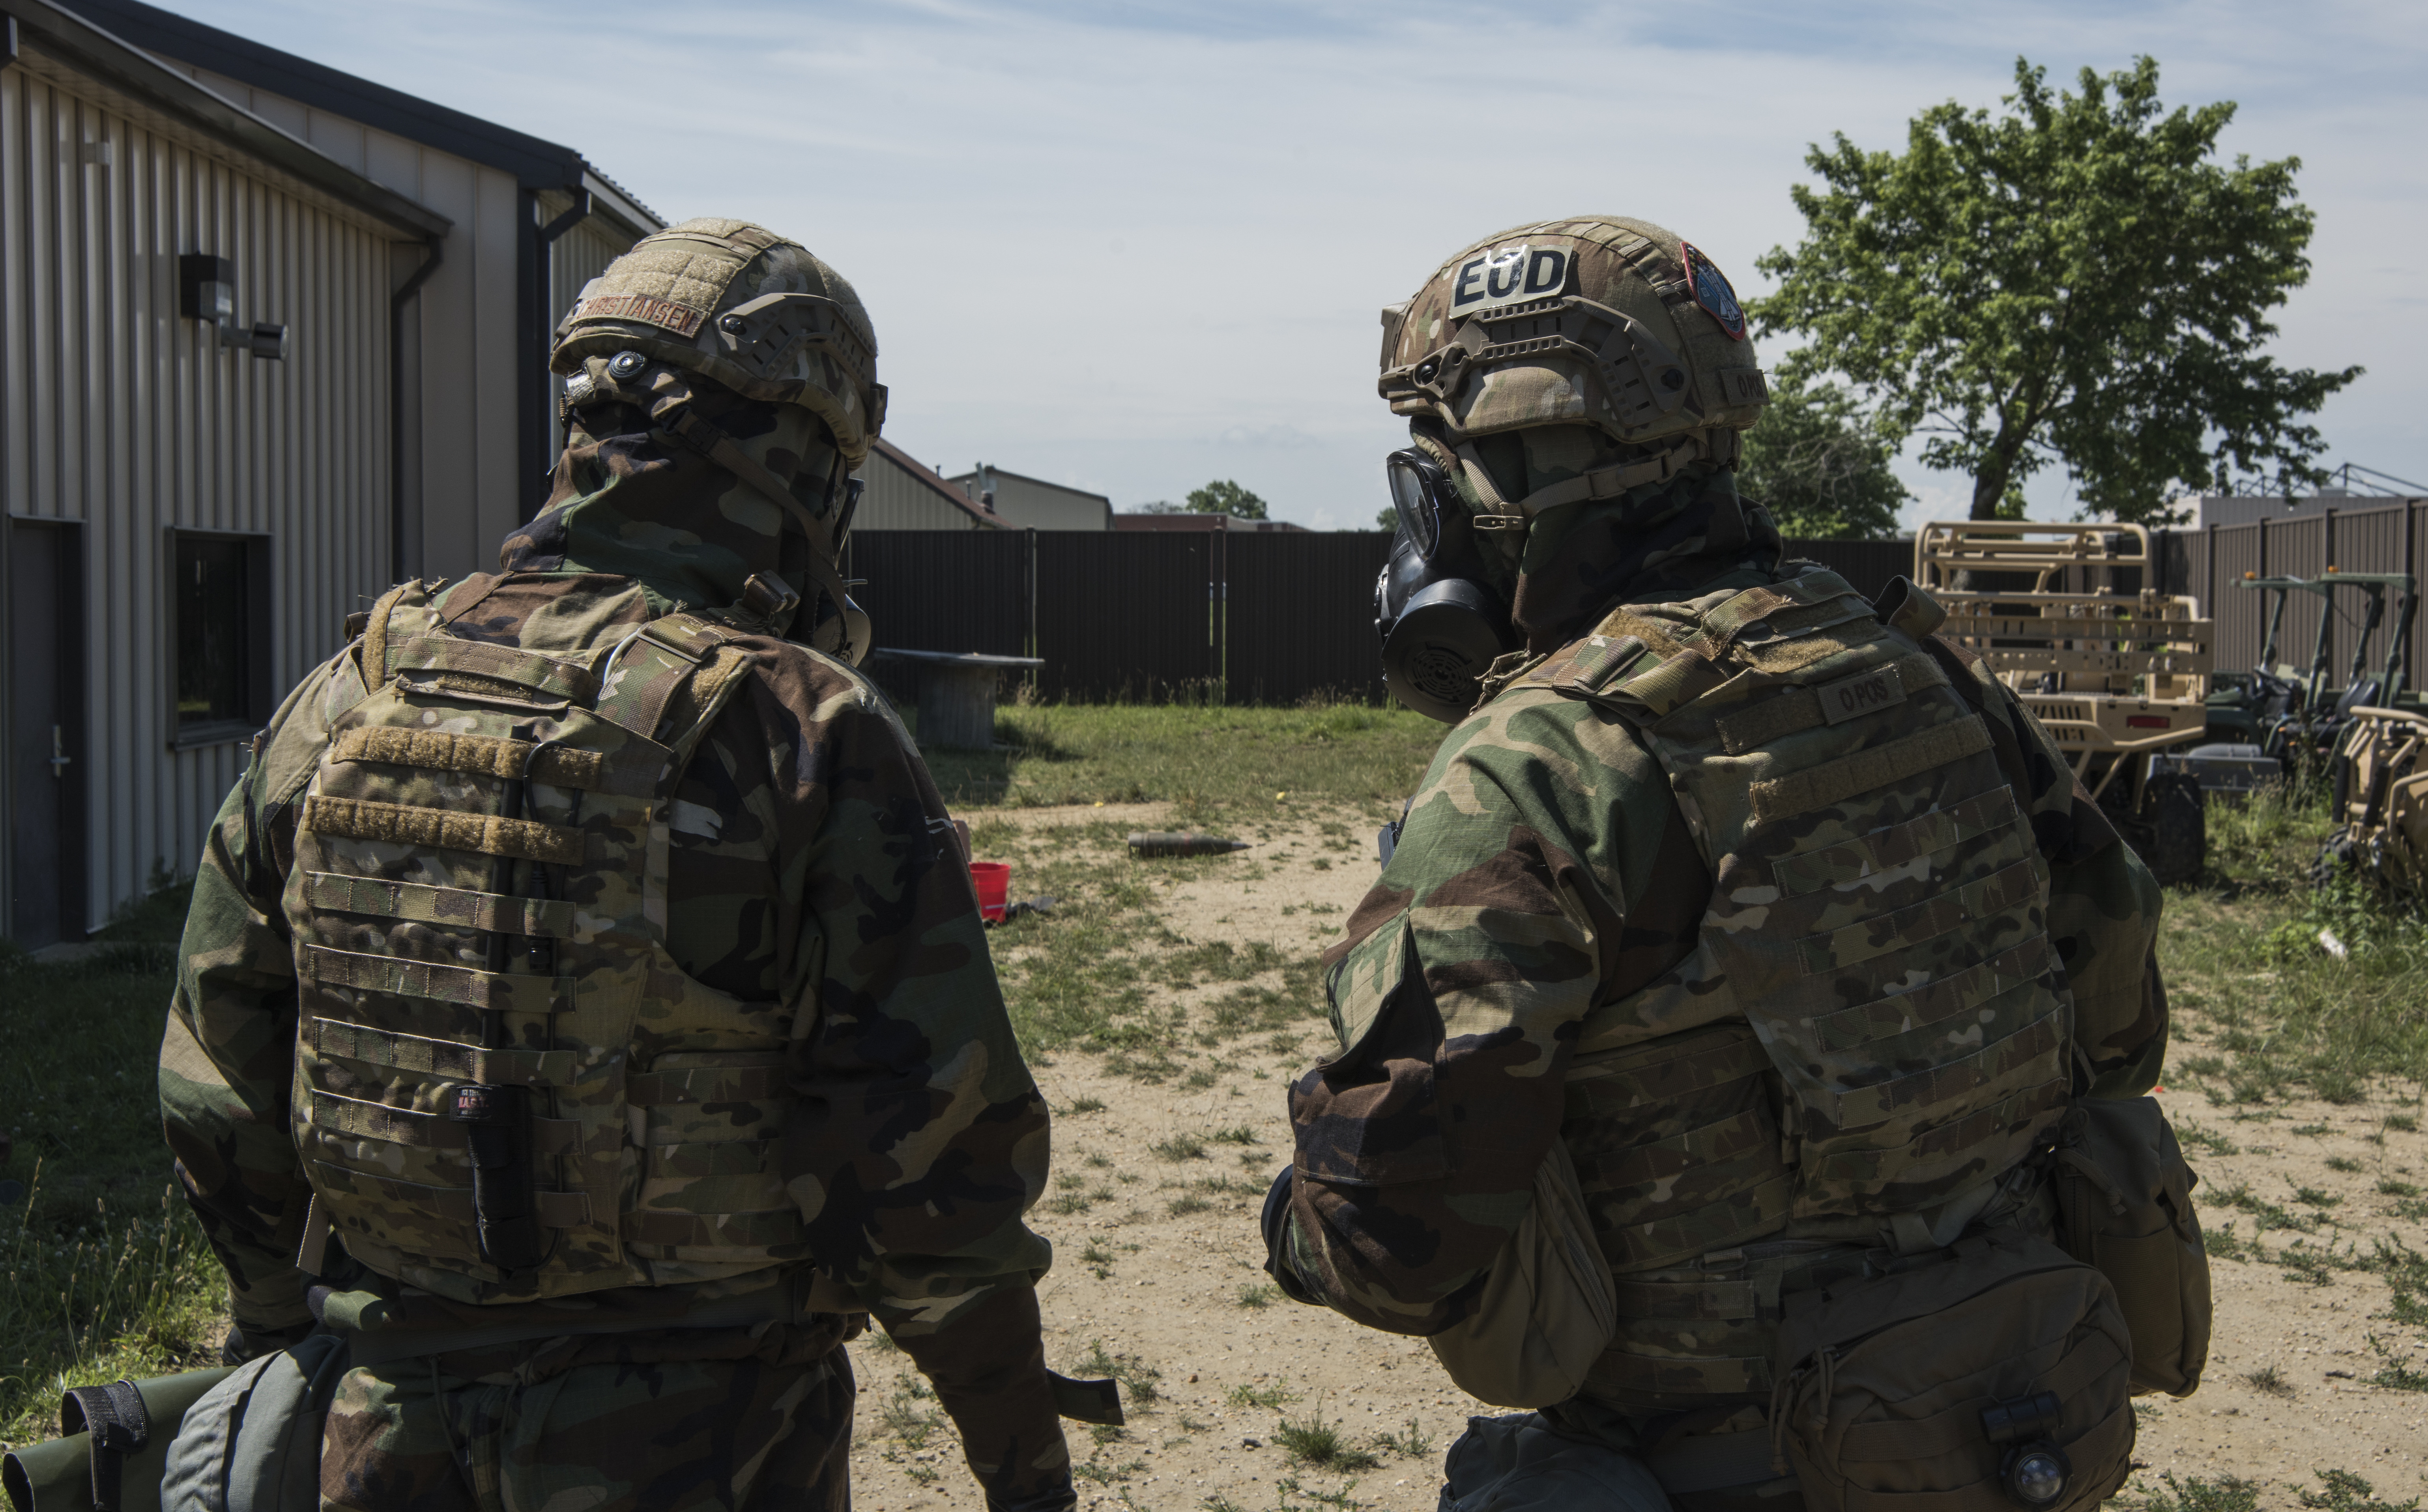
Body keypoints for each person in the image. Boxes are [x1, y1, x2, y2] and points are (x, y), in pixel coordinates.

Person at [157, 219, 1078, 1512]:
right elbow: (925, 1170)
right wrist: (1018, 1457)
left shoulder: (352, 690)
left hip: (383, 1414)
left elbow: (219, 1071)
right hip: (705, 1429)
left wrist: (279, 1331)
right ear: (798, 458)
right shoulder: (798, 724)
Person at [1261, 217, 2168, 1510]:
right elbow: (2119, 1027)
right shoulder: (1923, 673)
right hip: (2007, 1420)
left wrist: (1295, 1224)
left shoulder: (1539, 761)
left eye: (1437, 455)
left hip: (1725, 1461)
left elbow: (1398, 1241)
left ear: (1518, 463)